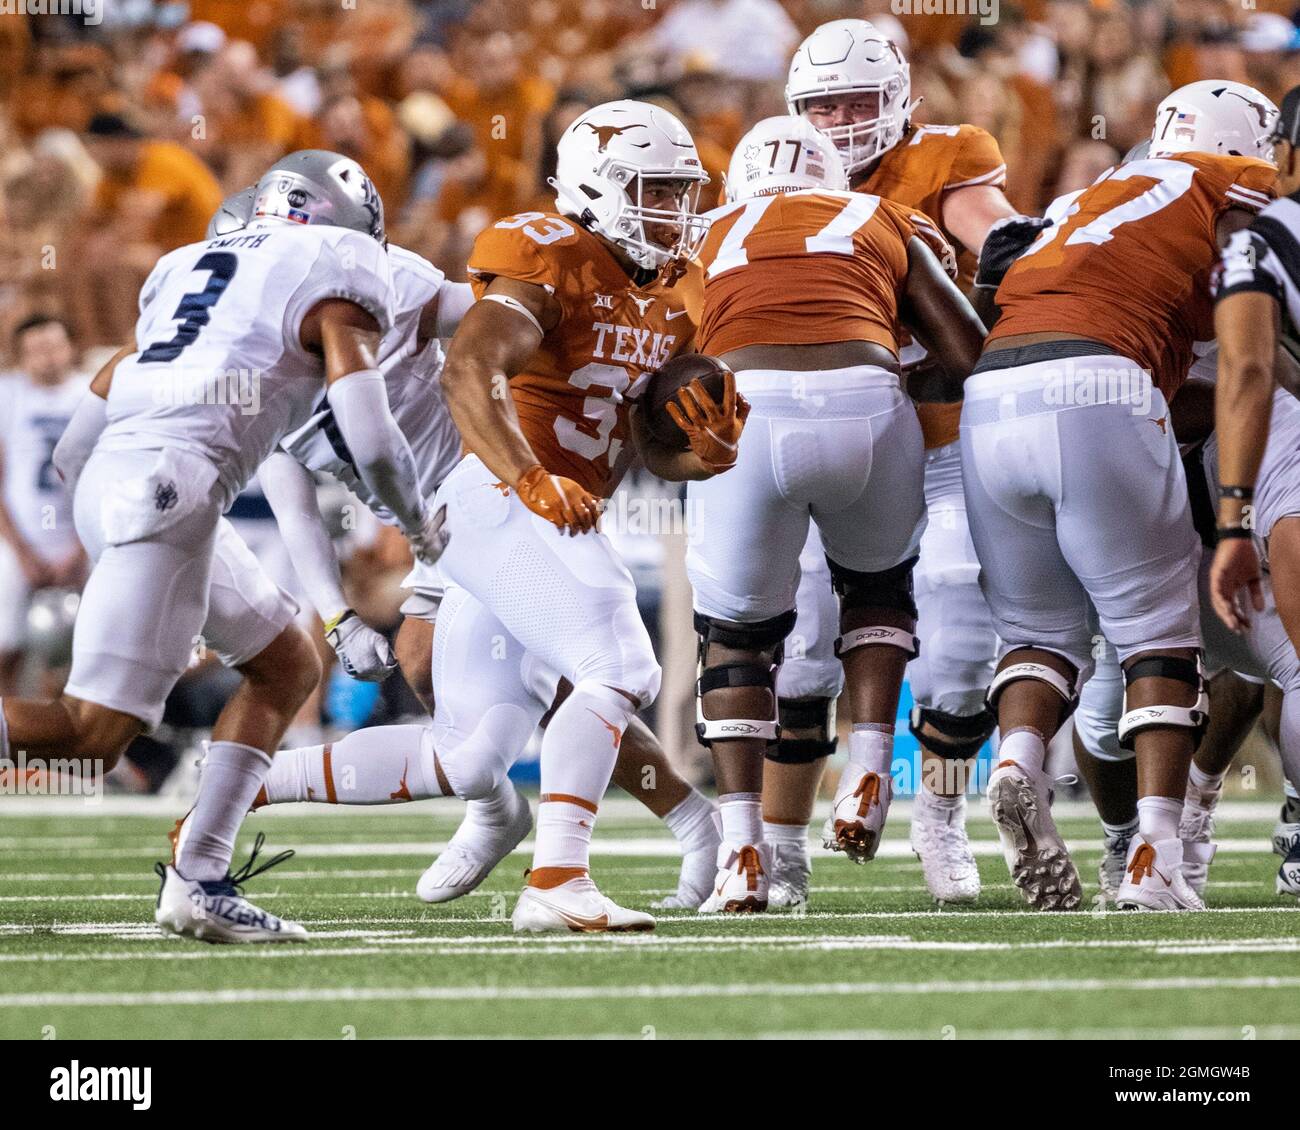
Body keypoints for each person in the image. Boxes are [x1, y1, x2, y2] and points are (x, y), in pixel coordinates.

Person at [12, 150, 443, 944]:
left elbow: (90, 422)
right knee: (89, 735)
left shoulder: (185, 266)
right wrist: (415, 518)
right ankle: (198, 878)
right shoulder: (338, 261)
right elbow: (368, 426)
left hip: (126, 478)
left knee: (286, 665)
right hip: (172, 485)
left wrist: (110, 528)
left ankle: (199, 878)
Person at [407, 99, 748, 933]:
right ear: (595, 188)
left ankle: (574, 857)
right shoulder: (544, 253)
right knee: (435, 671)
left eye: (679, 192)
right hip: (500, 484)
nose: (673, 212)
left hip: (570, 502)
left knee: (576, 678)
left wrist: (699, 455)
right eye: (653, 191)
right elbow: (468, 370)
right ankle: (502, 821)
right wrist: (527, 477)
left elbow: (644, 441)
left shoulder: (680, 293)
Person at [966, 80, 1278, 912]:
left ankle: (1017, 761)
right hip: (1100, 382)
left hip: (992, 390)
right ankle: (1156, 857)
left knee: (1036, 634)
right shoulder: (1231, 186)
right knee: (1161, 643)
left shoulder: (1086, 195)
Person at [686, 115, 985, 912]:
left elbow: (673, 364)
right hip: (870, 406)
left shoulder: (702, 232)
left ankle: (743, 850)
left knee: (739, 640)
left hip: (747, 412)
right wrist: (892, 380)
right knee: (879, 591)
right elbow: (969, 353)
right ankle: (869, 770)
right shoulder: (881, 215)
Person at [770, 18, 1021, 906]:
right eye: (821, 104)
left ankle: (941, 819)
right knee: (797, 651)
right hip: (839, 443)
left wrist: (1013, 248)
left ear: (899, 102)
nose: (837, 122)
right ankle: (776, 852)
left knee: (957, 631)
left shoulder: (949, 153)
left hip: (944, 435)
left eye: (854, 101)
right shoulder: (777, 170)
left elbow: (997, 234)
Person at [0, 316, 89, 692]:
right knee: (4, 644)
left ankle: (80, 741)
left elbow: (110, 479)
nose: (48, 358)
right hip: (19, 537)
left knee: (99, 649)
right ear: (19, 358)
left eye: (54, 347)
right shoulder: (8, 395)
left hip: (85, 538)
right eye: (36, 351)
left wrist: (82, 549)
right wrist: (21, 551)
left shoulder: (93, 394)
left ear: (72, 347)